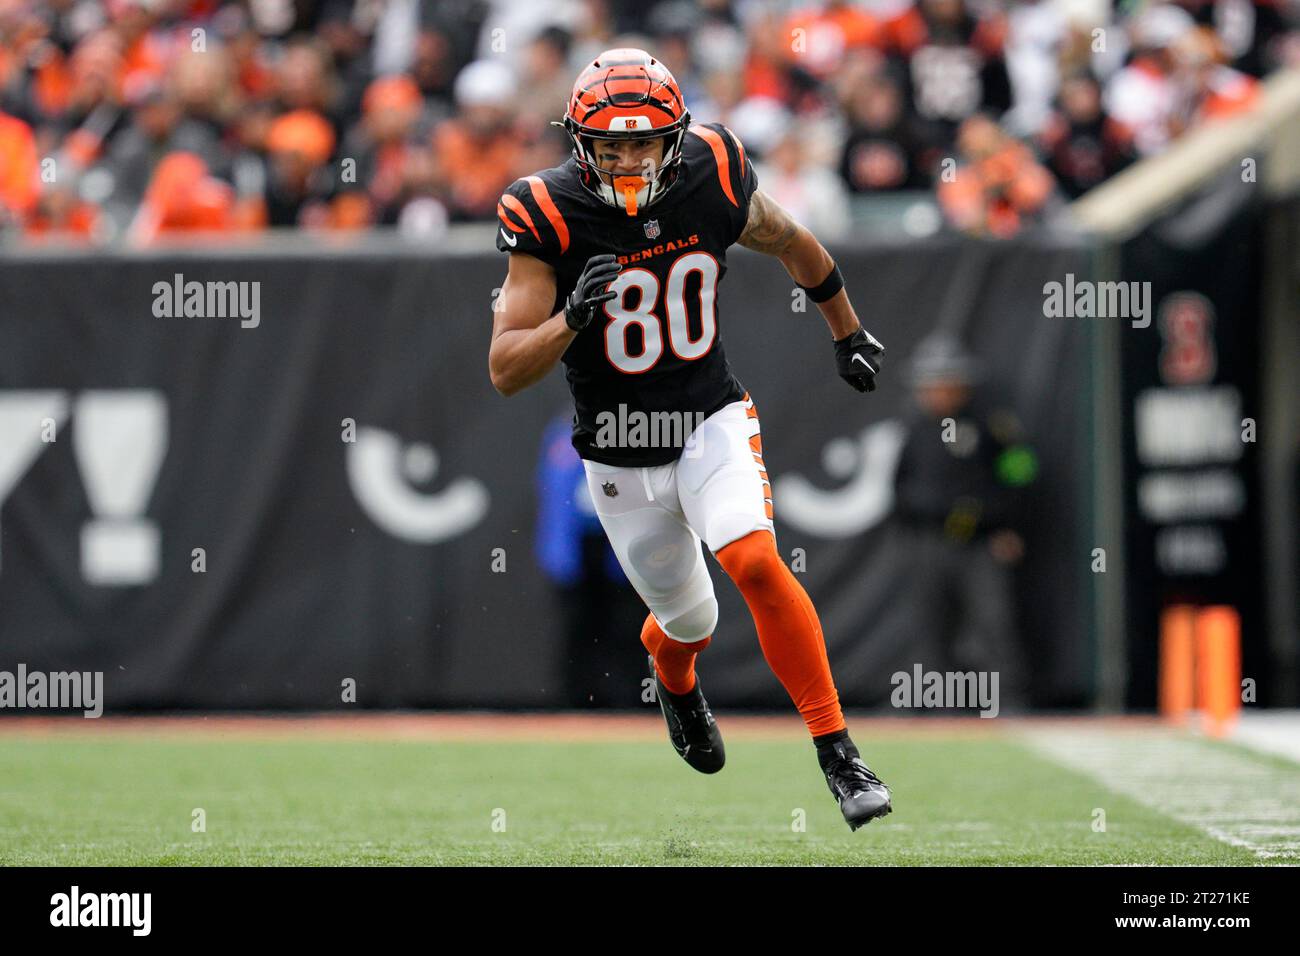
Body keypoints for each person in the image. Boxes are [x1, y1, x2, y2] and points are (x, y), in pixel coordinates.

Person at [488, 48, 892, 830]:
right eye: (613, 146)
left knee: (752, 556)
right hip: (616, 450)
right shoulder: (544, 209)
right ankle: (674, 680)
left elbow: (792, 240)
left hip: (710, 417)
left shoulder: (713, 167)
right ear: (582, 145)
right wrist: (572, 317)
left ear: (675, 136)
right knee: (689, 624)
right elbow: (504, 368)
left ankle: (839, 754)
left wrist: (847, 331)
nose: (632, 160)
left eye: (645, 143)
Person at [892, 333, 1036, 709]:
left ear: (960, 383)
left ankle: (1008, 702)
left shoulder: (993, 425)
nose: (933, 392)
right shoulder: (915, 428)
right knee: (931, 626)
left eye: (941, 382)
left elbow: (1021, 475)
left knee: (994, 622)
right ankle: (936, 707)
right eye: (928, 384)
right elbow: (899, 485)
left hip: (982, 543)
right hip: (930, 542)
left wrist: (1008, 526)